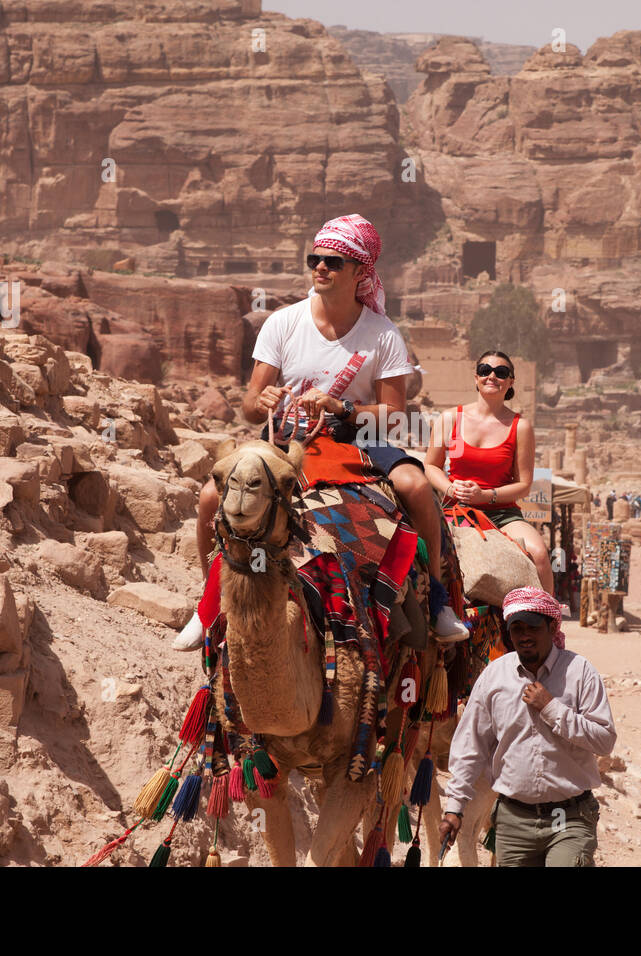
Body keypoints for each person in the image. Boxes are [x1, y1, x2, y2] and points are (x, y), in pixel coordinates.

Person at [175, 214, 469, 650]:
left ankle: (439, 603)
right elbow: (250, 403)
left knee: (415, 485)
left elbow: (392, 416)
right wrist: (266, 400)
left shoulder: (383, 335)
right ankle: (209, 605)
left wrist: (342, 406)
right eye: (315, 258)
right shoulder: (283, 322)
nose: (320, 267)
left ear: (360, 271)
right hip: (288, 435)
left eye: (333, 261)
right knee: (209, 497)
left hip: (357, 436)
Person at [439, 587, 616, 867]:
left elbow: (604, 740)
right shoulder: (494, 678)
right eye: (516, 628)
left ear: (551, 626)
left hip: (568, 819)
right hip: (514, 821)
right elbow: (470, 747)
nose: (524, 636)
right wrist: (454, 808)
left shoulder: (580, 673)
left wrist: (551, 708)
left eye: (532, 627)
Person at [425, 349, 552, 593]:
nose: (492, 376)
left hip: (502, 513)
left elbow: (524, 484)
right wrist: (451, 488)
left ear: (510, 382)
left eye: (500, 372)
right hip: (456, 508)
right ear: (476, 378)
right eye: (485, 370)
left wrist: (486, 496)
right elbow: (431, 465)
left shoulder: (521, 427)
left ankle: (549, 624)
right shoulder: (450, 418)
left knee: (539, 556)